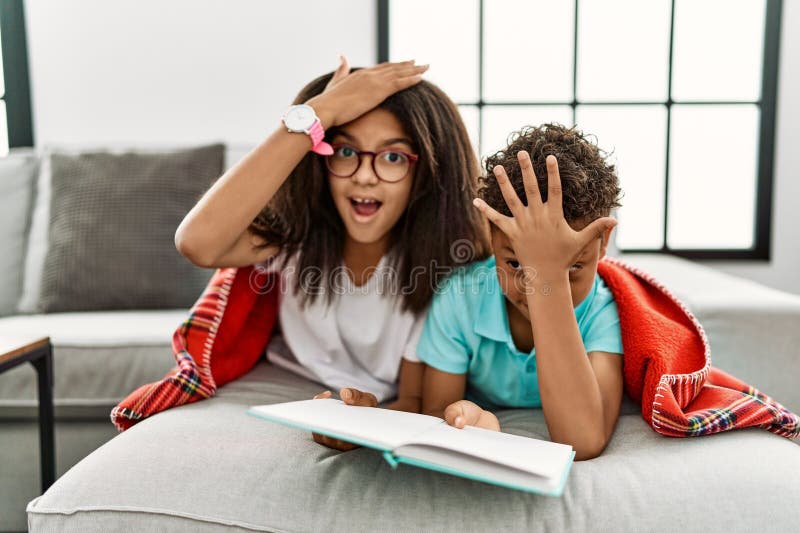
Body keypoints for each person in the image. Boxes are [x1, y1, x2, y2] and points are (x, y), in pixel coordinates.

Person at [174, 56, 490, 450]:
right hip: (301, 374)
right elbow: (197, 243)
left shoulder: (450, 263)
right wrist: (317, 114)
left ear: (426, 171)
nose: (364, 175)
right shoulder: (295, 236)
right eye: (344, 152)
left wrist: (364, 424)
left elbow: (419, 403)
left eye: (393, 157)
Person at [416, 123, 624, 460]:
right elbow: (436, 413)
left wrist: (549, 280)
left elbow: (584, 440)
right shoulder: (461, 298)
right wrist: (466, 414)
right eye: (516, 264)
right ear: (492, 236)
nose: (534, 289)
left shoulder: (603, 312)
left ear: (602, 245)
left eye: (571, 267)